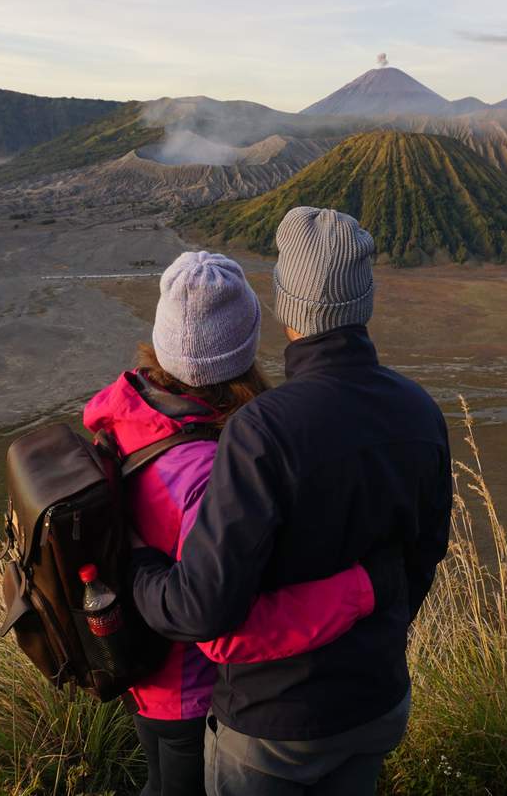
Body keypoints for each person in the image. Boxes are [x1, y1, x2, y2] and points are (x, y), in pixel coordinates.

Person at [131, 207, 454, 795]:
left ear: (285, 304)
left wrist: (137, 573)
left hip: (271, 726)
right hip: (378, 700)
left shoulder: (261, 431)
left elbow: (203, 608)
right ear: (366, 301)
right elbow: (425, 558)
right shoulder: (421, 413)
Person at [85, 249, 402, 796]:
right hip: (191, 686)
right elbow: (219, 618)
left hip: (140, 669)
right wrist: (360, 589)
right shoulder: (214, 468)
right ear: (248, 343)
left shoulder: (128, 413)